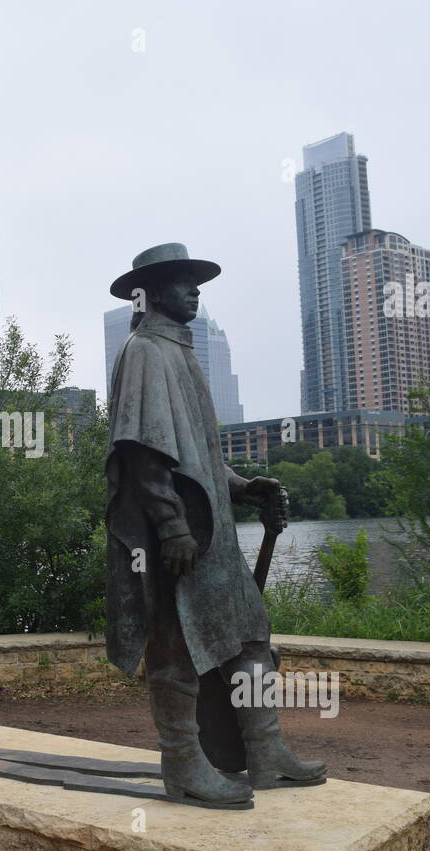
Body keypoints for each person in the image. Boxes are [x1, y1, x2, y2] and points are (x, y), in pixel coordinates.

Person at [105, 243, 325, 808]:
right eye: (182, 282)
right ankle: (182, 761)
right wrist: (172, 525)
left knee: (250, 636)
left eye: (195, 282)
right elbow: (142, 453)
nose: (194, 290)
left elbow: (198, 456)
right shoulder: (145, 351)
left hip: (215, 536)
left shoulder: (182, 352)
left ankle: (265, 751)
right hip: (181, 538)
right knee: (177, 646)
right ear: (151, 293)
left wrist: (245, 488)